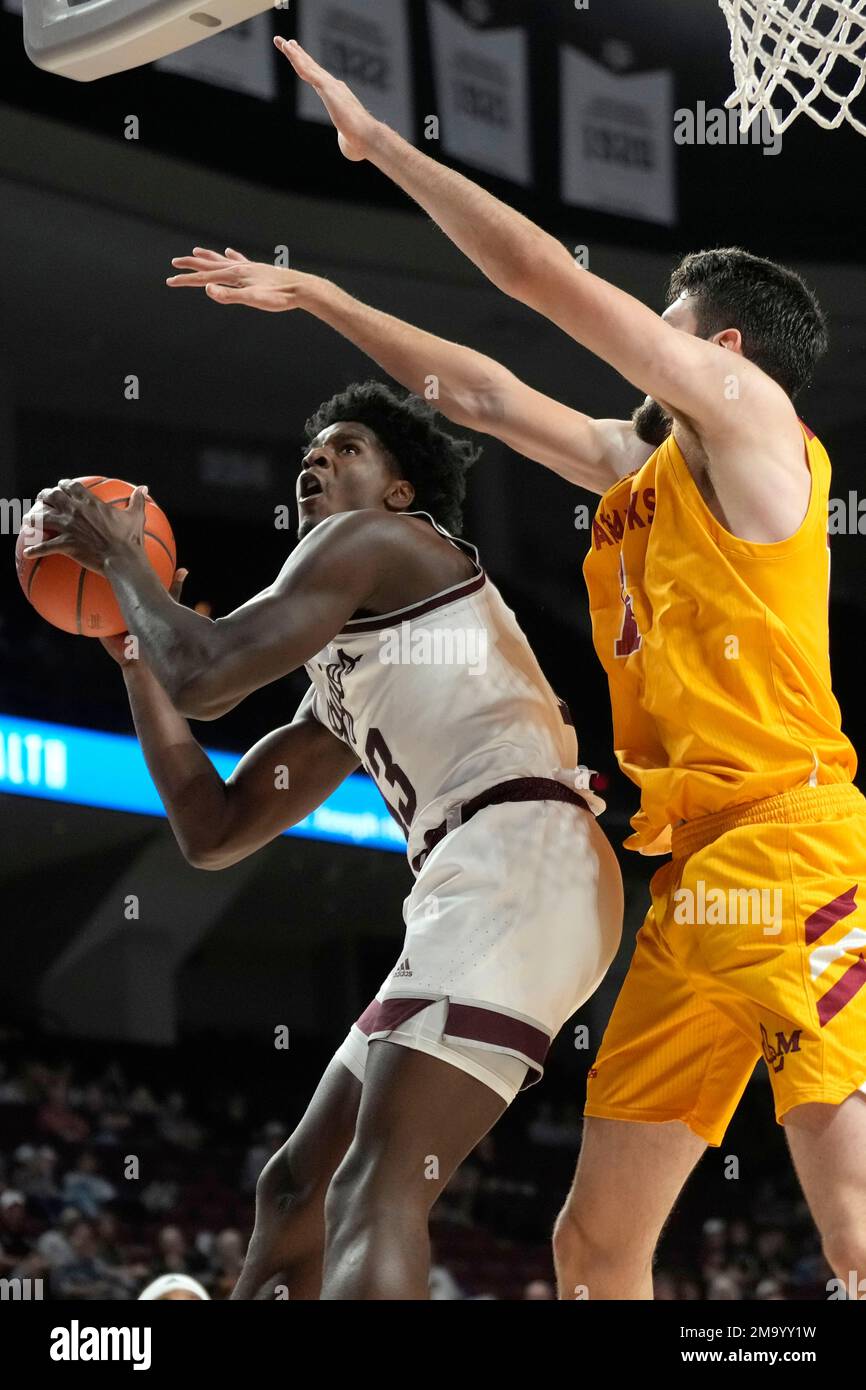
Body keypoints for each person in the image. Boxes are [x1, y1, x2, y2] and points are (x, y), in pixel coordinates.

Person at [251, 36, 864, 1300]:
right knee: (591, 1253)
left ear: (723, 352)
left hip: (795, 847)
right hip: (689, 877)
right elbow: (476, 393)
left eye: (667, 329)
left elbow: (536, 278)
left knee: (851, 1227)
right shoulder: (643, 476)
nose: (641, 345)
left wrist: (382, 151)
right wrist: (319, 297)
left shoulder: (753, 434)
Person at [22, 381, 622, 1300]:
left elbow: (211, 674)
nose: (317, 460)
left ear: (399, 495)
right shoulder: (350, 673)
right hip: (483, 879)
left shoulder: (383, 543)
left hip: (521, 864)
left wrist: (122, 564)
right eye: (312, 451)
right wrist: (139, 660)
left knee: (373, 1186)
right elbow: (212, 830)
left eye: (347, 449)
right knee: (295, 1185)